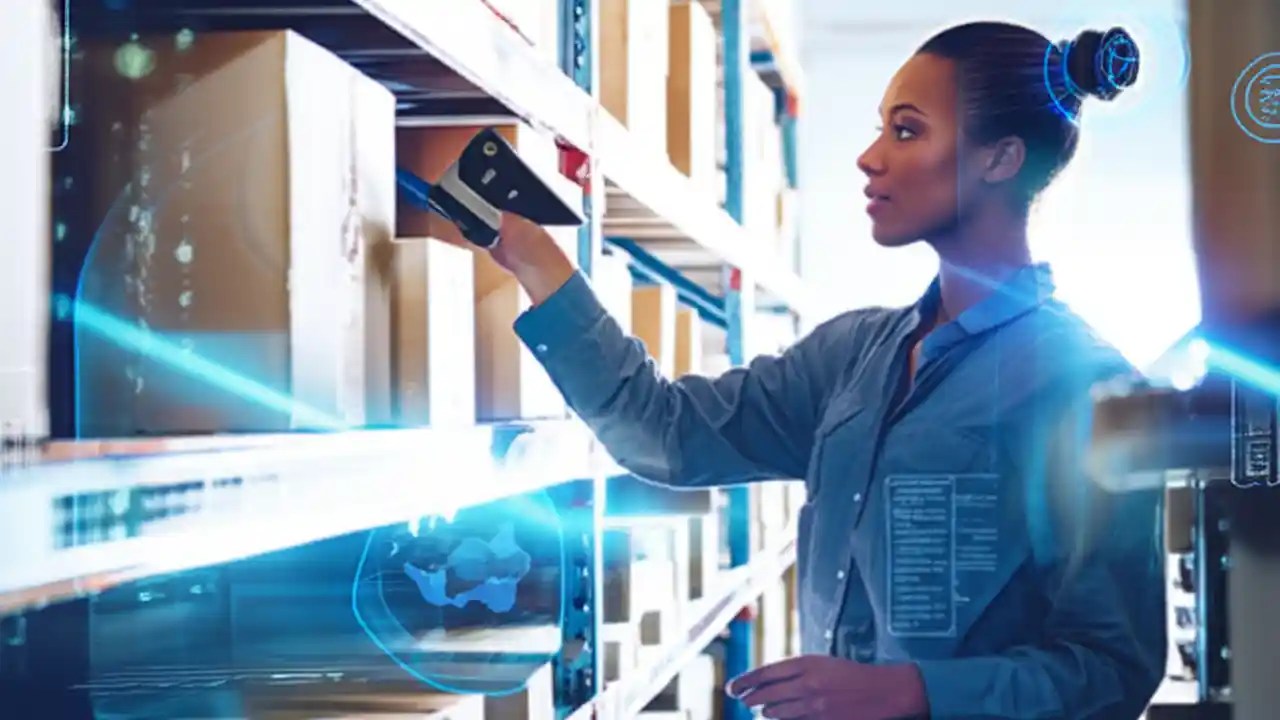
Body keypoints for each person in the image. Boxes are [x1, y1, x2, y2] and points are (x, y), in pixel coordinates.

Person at [492, 20, 1166, 720]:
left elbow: (1113, 668)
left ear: (999, 159)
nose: (869, 158)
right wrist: (536, 261)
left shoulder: (1086, 386)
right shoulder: (853, 355)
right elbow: (663, 434)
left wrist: (913, 692)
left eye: (906, 131)